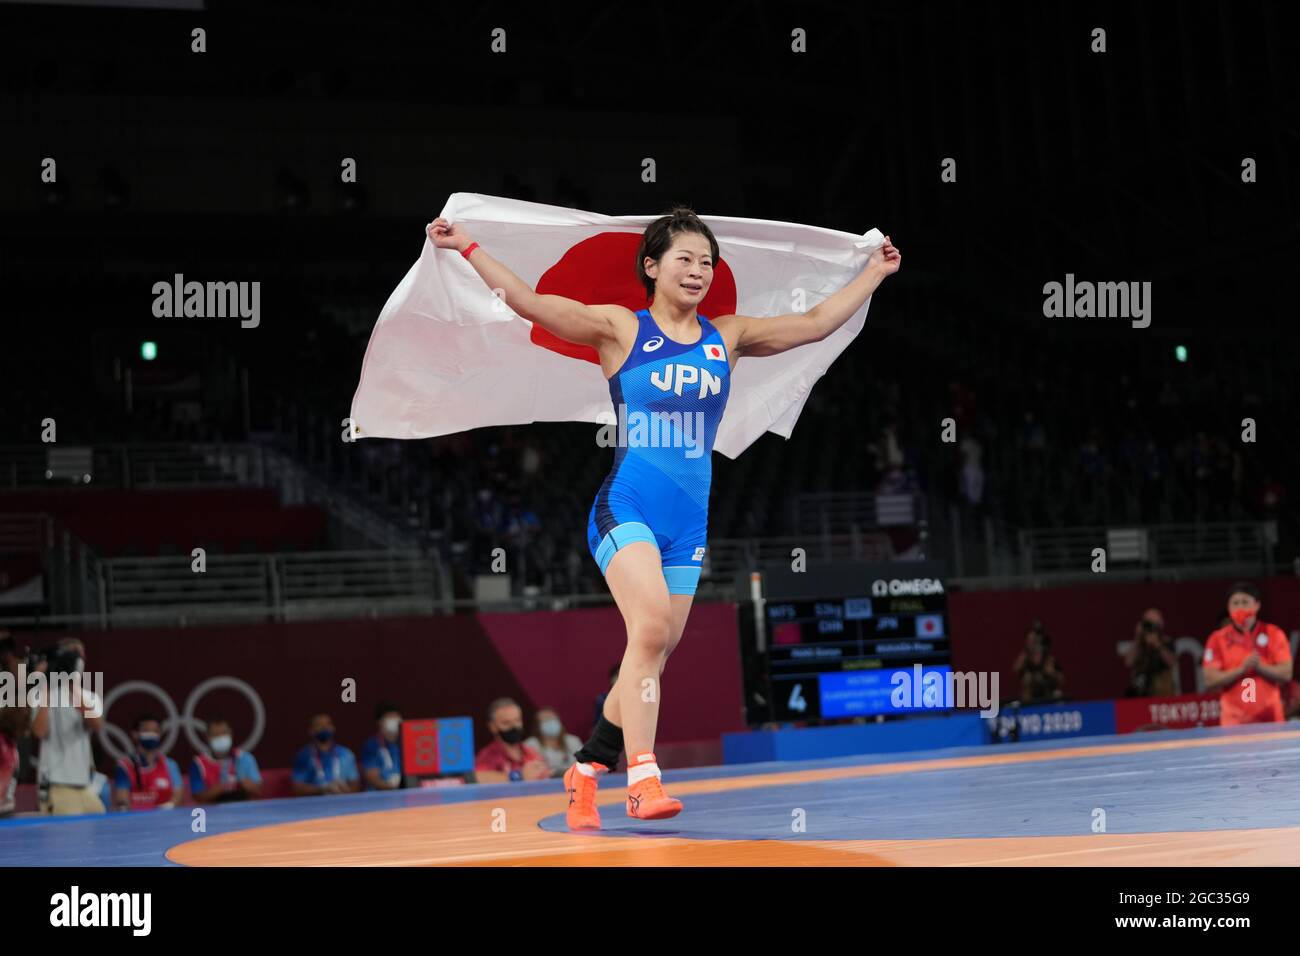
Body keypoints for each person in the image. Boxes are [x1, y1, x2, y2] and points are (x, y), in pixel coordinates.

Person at [427, 207, 900, 829]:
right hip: (626, 508)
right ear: (651, 266)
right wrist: (470, 247)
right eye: (685, 258)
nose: (699, 271)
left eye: (707, 262)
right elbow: (529, 301)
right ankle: (643, 778)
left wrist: (875, 273)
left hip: (689, 525)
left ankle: (587, 768)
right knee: (649, 631)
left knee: (652, 650)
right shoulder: (621, 330)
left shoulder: (726, 337)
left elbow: (813, 324)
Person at [30, 638, 105, 815]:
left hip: (85, 784)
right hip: (57, 785)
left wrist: (73, 688)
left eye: (81, 655)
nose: (81, 659)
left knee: (101, 823)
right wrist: (46, 685)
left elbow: (97, 725)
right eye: (75, 655)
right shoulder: (40, 694)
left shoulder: (90, 696)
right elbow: (39, 732)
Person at [1202, 581, 1292, 725]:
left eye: (1245, 602)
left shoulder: (1274, 633)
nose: (1240, 607)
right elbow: (1209, 680)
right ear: (1228, 607)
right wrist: (1241, 670)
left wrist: (1260, 667)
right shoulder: (1217, 639)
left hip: (1270, 718)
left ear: (1257, 605)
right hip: (1234, 722)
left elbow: (1286, 673)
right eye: (1235, 603)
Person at [112, 714, 183, 810]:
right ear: (135, 734)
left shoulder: (170, 765)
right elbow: (122, 799)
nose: (151, 734)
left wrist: (167, 808)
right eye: (146, 730)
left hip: (165, 819)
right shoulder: (124, 766)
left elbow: (177, 795)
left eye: (155, 731)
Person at [473, 698, 550, 784]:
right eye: (506, 723)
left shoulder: (530, 752)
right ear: (493, 727)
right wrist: (518, 776)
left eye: (517, 720)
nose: (514, 726)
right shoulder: (487, 756)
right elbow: (476, 778)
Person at [190, 716, 262, 803]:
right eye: (215, 734)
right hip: (213, 811)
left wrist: (244, 783)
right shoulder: (199, 763)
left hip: (244, 809)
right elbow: (198, 798)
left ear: (230, 733)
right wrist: (222, 787)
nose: (220, 737)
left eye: (224, 733)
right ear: (207, 737)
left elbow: (258, 791)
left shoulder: (244, 758)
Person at [291, 713, 360, 796]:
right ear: (311, 731)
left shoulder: (346, 754)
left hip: (343, 801)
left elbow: (355, 785)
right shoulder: (304, 756)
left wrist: (344, 791)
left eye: (328, 724)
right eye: (319, 725)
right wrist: (324, 788)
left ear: (333, 728)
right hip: (315, 804)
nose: (324, 727)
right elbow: (298, 788)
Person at [1124, 607, 1177, 697]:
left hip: (1162, 693)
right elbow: (1128, 662)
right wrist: (1137, 638)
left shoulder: (1166, 642)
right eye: (1147, 623)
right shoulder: (1140, 644)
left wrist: (1157, 645)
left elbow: (1172, 662)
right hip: (1141, 692)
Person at [1013, 622, 1065, 704]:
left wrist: (1052, 674)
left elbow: (1062, 680)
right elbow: (1016, 669)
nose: (1037, 654)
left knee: (1058, 695)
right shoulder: (1026, 659)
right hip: (1032, 696)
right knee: (1027, 679)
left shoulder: (1049, 659)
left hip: (1049, 694)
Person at [524, 707, 584, 778]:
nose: (551, 723)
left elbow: (585, 764)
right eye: (546, 720)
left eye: (553, 719)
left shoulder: (573, 741)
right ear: (538, 726)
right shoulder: (531, 744)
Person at [360, 701, 404, 791]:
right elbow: (372, 777)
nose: (395, 719)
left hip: (405, 793)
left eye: (396, 716)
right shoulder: (371, 746)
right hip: (379, 796)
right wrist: (393, 787)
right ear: (380, 721)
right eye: (390, 717)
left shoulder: (407, 743)